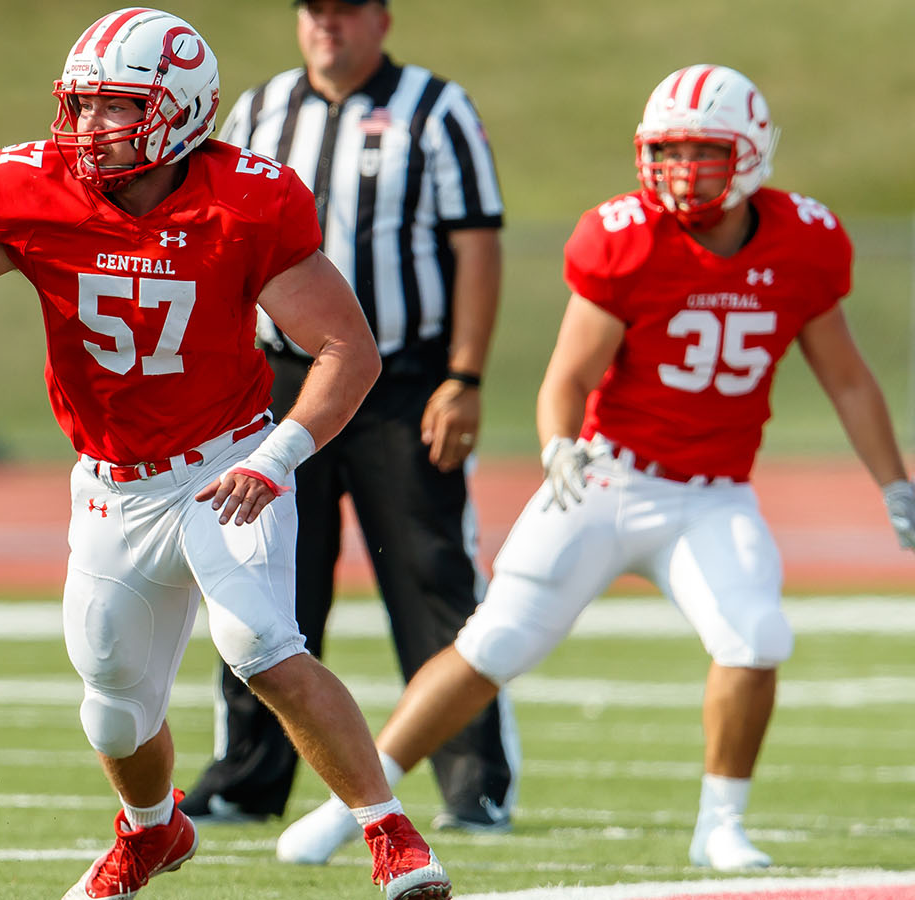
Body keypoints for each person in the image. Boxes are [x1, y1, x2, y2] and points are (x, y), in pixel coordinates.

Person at [0, 9, 451, 899]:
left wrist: (276, 459)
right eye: (80, 105)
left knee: (261, 643)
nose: (87, 128)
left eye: (115, 106)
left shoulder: (247, 201)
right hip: (113, 486)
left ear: (183, 109)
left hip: (224, 465)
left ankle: (392, 835)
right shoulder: (31, 187)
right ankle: (154, 833)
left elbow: (347, 350)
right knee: (113, 705)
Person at [363, 63, 915, 872]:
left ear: (754, 151)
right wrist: (558, 444)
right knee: (495, 644)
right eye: (668, 149)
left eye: (704, 149)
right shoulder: (626, 234)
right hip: (603, 479)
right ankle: (363, 804)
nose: (682, 168)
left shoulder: (805, 239)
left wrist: (893, 481)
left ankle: (719, 825)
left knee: (756, 635)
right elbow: (568, 375)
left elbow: (847, 377)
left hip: (711, 496)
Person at [182, 0, 519, 859]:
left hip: (404, 381)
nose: (327, 23)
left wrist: (465, 376)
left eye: (345, 8)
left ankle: (473, 783)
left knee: (432, 573)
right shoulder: (259, 109)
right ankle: (247, 777)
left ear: (382, 17)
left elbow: (477, 244)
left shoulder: (437, 108)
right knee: (263, 578)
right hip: (280, 380)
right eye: (313, 9)